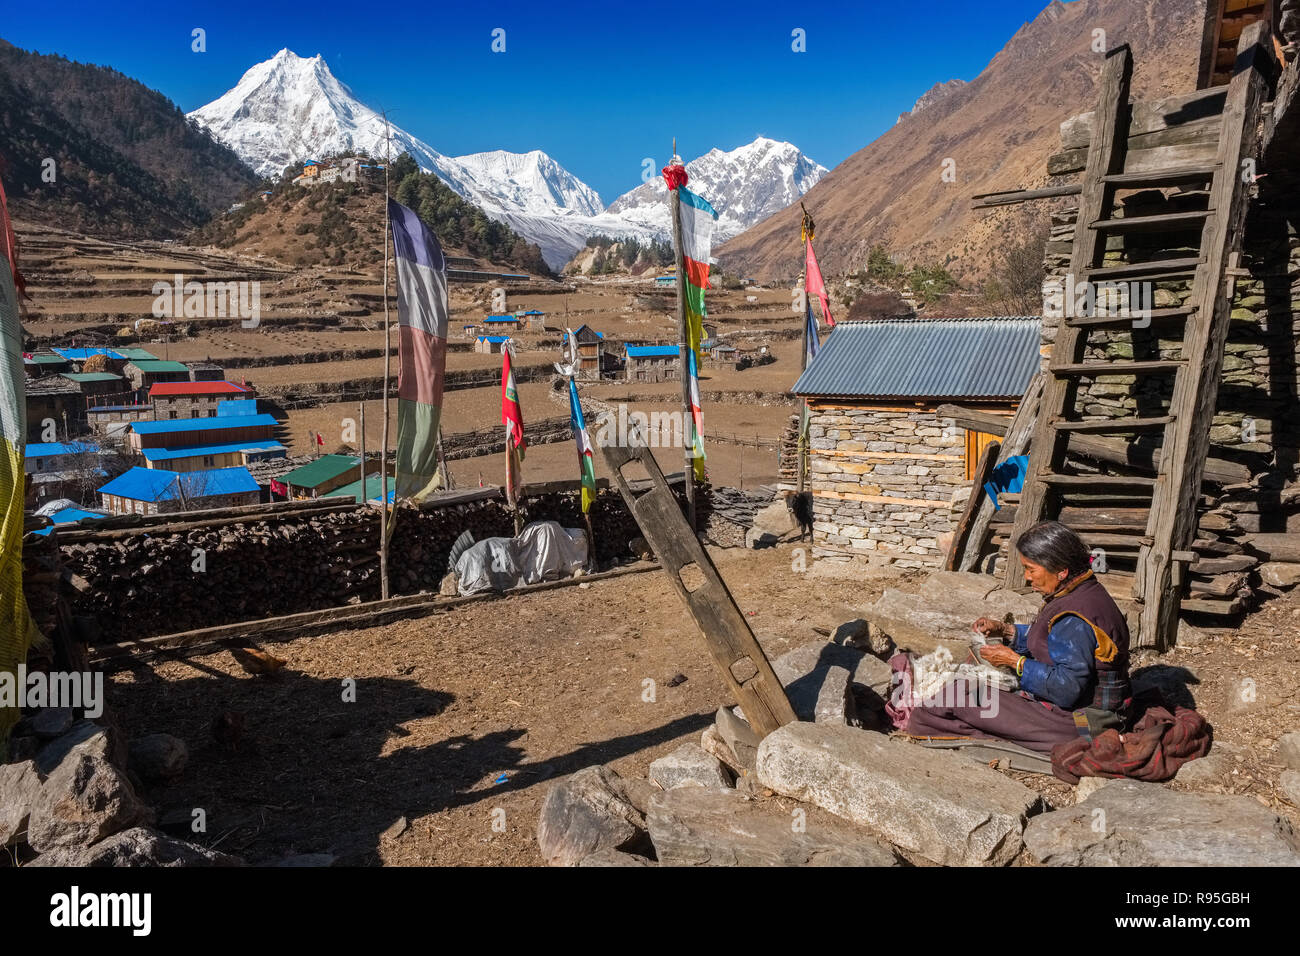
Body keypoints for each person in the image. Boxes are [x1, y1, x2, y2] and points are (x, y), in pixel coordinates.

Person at [905, 520, 1132, 753]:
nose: (1026, 577)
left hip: (1078, 723)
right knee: (965, 690)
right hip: (1082, 715)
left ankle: (999, 739)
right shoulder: (1081, 592)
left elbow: (1067, 690)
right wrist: (1006, 631)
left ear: (1061, 570)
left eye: (1031, 569)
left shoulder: (1074, 617)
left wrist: (1015, 662)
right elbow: (1051, 643)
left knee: (954, 697)